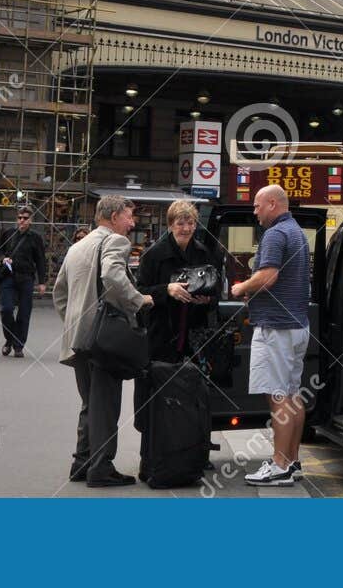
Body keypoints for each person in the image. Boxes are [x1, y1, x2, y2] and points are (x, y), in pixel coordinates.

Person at [52, 196, 153, 488]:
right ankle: (101, 468)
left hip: (78, 338)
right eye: (129, 216)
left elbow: (60, 293)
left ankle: (81, 462)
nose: (132, 223)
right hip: (104, 339)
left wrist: (75, 323)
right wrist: (139, 300)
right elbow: (112, 275)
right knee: (106, 404)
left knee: (90, 403)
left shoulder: (77, 247)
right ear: (113, 216)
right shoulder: (116, 242)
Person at [230, 184, 310, 486]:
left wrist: (241, 288)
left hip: (277, 327)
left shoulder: (276, 234)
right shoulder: (297, 232)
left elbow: (268, 276)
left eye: (256, 205)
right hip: (296, 325)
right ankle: (292, 462)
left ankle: (278, 466)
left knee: (278, 397)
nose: (254, 211)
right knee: (292, 395)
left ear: (273, 204)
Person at [132, 200, 216, 478]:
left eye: (190, 222)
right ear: (170, 224)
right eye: (180, 222)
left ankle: (194, 454)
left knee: (194, 394)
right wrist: (166, 290)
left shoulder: (202, 251)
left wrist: (206, 298)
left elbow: (213, 290)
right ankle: (151, 457)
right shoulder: (154, 254)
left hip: (192, 332)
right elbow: (140, 292)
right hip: (160, 333)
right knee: (155, 396)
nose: (186, 227)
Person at [0, 206, 47, 358]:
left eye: (25, 218)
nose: (22, 220)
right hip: (9, 276)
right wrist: (3, 258)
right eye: (20, 217)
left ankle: (18, 345)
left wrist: (42, 281)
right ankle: (9, 340)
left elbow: (41, 260)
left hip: (27, 278)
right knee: (6, 309)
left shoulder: (35, 238)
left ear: (31, 221)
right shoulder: (8, 233)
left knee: (24, 313)